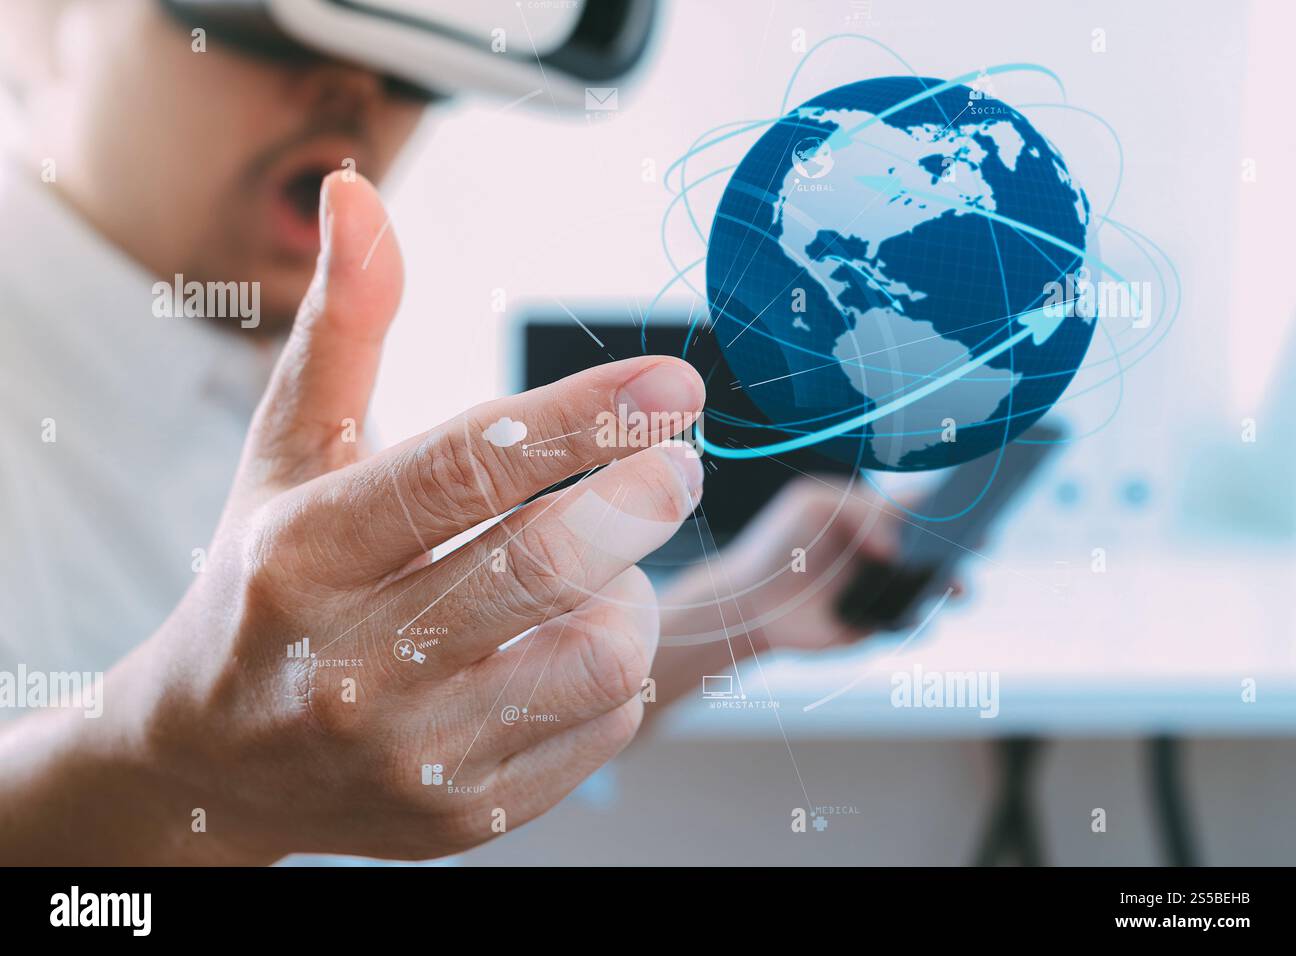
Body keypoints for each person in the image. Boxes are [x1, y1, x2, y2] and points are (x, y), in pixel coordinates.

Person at [0, 0, 902, 864]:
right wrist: (179, 777)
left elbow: (384, 745)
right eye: (262, 36)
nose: (356, 93)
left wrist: (742, 610)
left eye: (408, 63)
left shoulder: (285, 363)